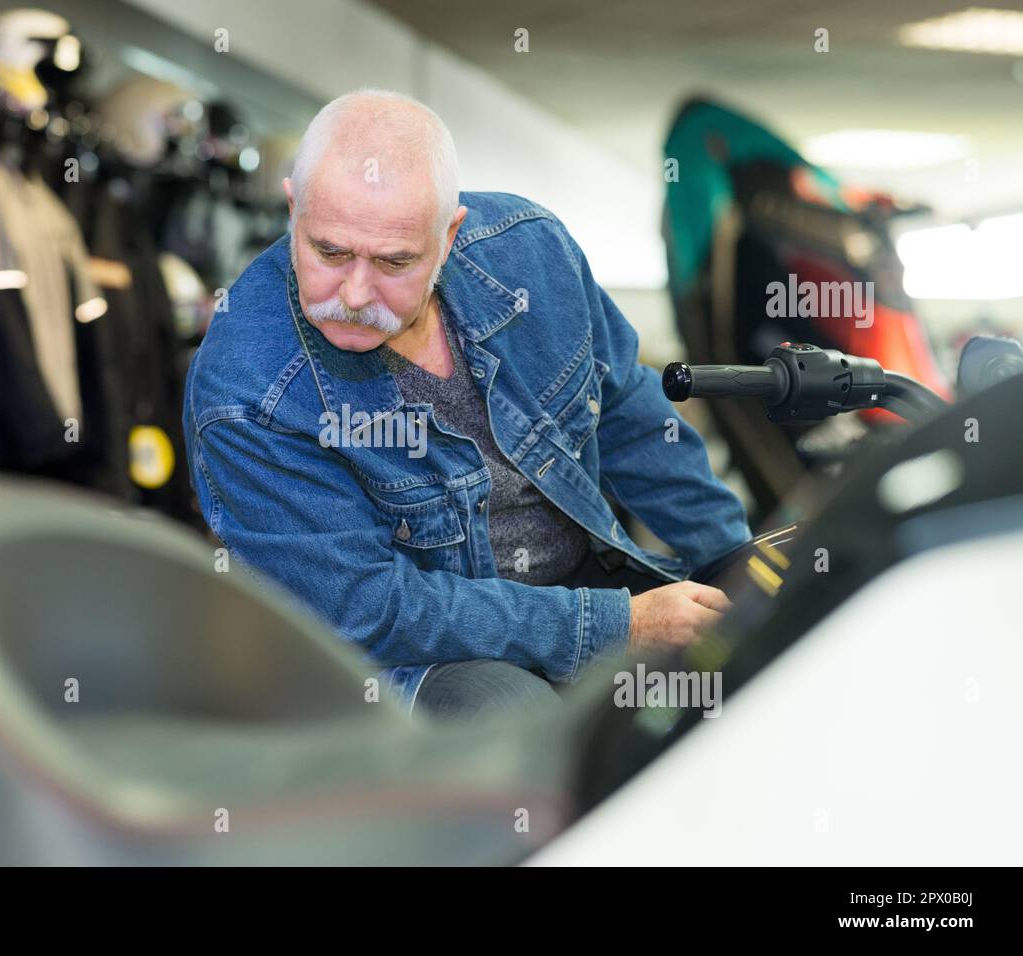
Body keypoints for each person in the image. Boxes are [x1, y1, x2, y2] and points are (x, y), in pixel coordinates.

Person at [183, 89, 751, 721]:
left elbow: (625, 413)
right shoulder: (246, 393)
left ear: (450, 235)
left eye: (395, 261)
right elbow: (366, 608)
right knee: (518, 722)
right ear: (294, 208)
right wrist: (614, 623)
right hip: (396, 656)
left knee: (743, 683)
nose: (354, 292)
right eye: (329, 251)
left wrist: (729, 558)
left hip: (579, 586)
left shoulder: (532, 251)